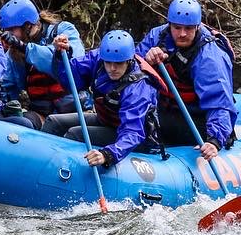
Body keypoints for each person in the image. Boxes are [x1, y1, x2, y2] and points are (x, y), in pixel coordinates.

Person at [34, 29, 160, 168]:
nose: (112, 68)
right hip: (105, 120)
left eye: (118, 63)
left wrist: (108, 154)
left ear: (129, 61)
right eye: (108, 63)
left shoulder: (138, 88)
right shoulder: (98, 59)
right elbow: (69, 78)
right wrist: (61, 53)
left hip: (128, 135)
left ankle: (62, 171)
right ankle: (37, 161)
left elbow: (133, 132)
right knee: (54, 121)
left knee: (75, 133)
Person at [139, 0, 237, 159]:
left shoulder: (209, 58)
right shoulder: (157, 36)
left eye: (189, 28)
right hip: (165, 110)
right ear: (169, 24)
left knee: (151, 127)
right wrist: (146, 61)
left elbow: (219, 103)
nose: (182, 34)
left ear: (197, 27)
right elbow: (129, 70)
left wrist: (214, 140)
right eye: (177, 27)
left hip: (198, 120)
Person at [0, 0, 86, 129]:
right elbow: (7, 86)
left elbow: (72, 63)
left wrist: (24, 47)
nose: (9, 35)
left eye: (12, 30)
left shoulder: (63, 30)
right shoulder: (13, 54)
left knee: (61, 126)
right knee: (20, 123)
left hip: (75, 111)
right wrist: (4, 107)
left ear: (27, 25)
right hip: (41, 114)